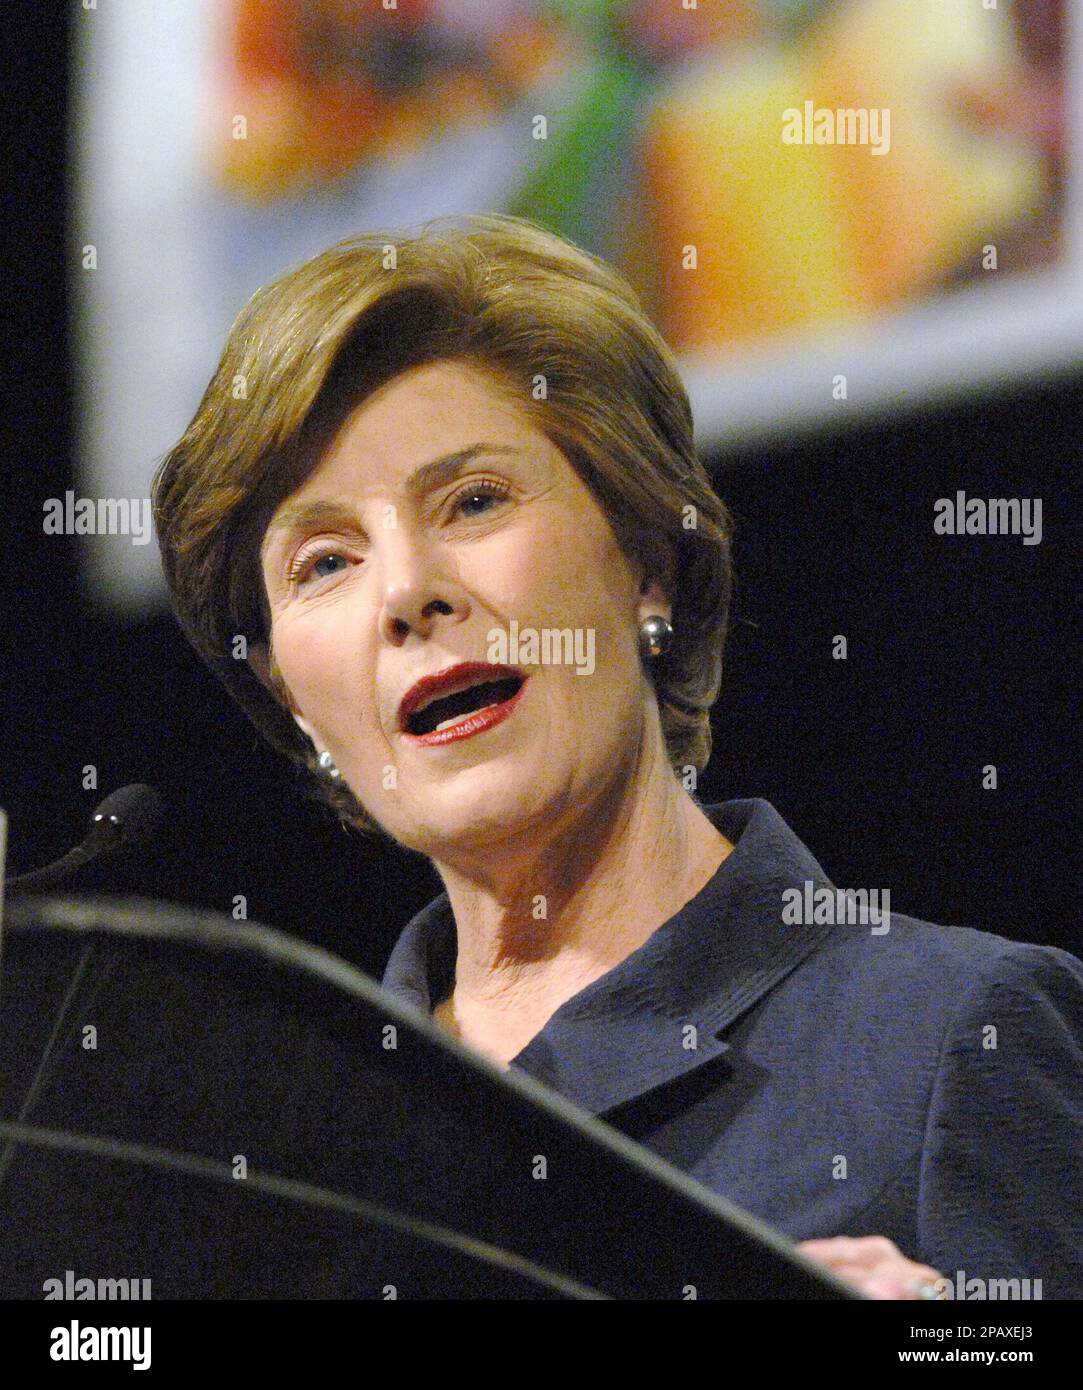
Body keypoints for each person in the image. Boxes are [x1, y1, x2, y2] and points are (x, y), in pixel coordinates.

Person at [153, 213, 1083, 1300]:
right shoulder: (274, 1172)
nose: (406, 591)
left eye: (475, 499)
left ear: (646, 560)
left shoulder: (950, 1036)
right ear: (285, 693)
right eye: (324, 562)